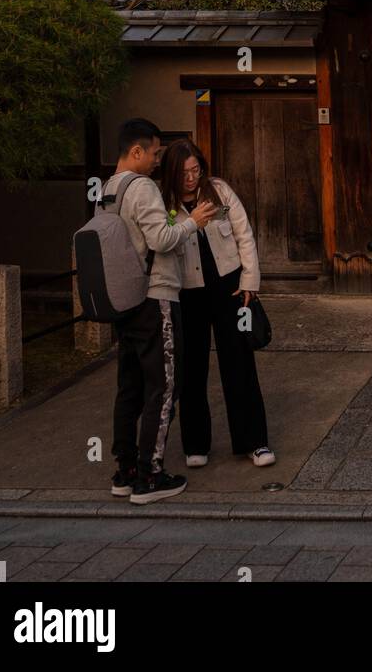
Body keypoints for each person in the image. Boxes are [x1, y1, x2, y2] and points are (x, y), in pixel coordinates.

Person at [106, 119, 217, 504]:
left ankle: (125, 471)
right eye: (154, 152)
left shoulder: (108, 190)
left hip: (126, 301)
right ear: (136, 152)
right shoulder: (143, 188)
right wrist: (191, 223)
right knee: (165, 385)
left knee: (130, 387)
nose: (157, 160)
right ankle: (150, 475)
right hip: (156, 297)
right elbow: (161, 238)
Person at [160, 138, 275, 468]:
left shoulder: (219, 192)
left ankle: (255, 442)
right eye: (184, 173)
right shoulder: (165, 203)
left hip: (230, 288)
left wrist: (250, 280)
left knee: (239, 362)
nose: (192, 178)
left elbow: (244, 234)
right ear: (172, 173)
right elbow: (162, 239)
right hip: (187, 292)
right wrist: (188, 220)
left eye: (196, 169)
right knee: (192, 368)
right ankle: (196, 444)